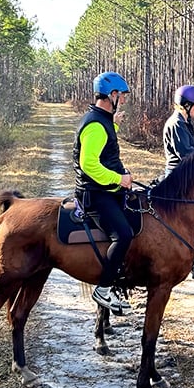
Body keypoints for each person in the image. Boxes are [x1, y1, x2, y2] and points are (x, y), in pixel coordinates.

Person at [73, 71, 134, 315]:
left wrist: (115, 123)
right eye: (123, 95)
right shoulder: (96, 125)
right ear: (112, 95)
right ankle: (104, 289)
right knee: (124, 235)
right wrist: (120, 179)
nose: (125, 100)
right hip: (96, 194)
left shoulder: (103, 120)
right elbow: (89, 164)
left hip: (105, 190)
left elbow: (105, 145)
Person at [162, 84, 194, 280]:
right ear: (187, 105)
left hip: (187, 177)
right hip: (178, 179)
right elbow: (186, 155)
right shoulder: (176, 124)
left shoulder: (184, 124)